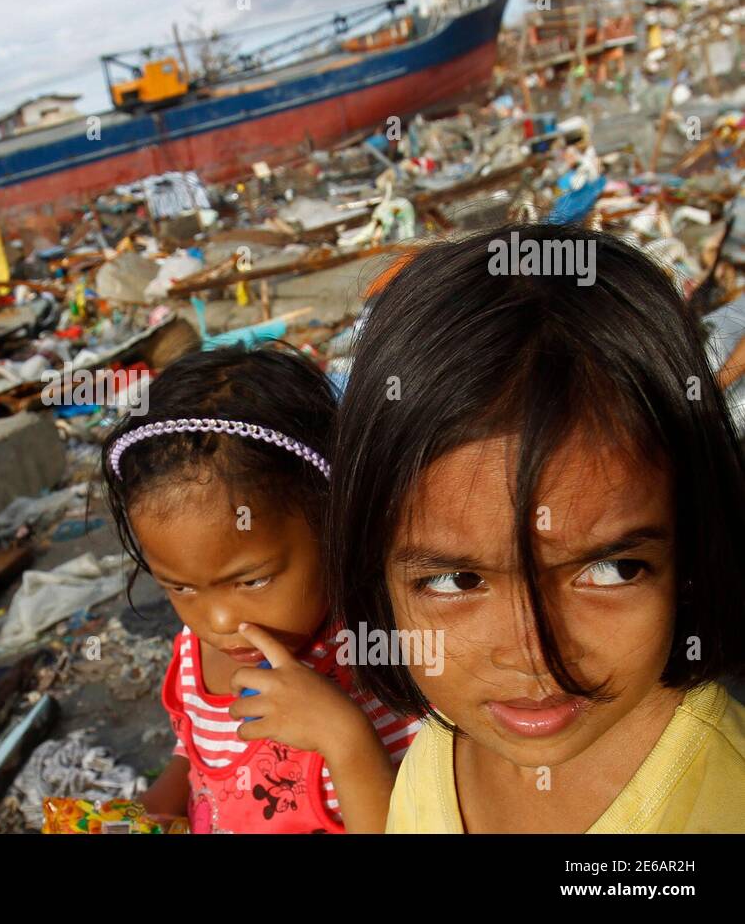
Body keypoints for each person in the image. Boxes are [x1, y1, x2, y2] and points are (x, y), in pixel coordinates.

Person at [329, 224, 745, 833]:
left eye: (611, 568)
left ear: (690, 548)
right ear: (375, 575)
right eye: (456, 580)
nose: (533, 655)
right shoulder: (443, 740)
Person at [102, 344, 417, 833]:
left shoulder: (381, 666)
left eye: (252, 580)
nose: (220, 622)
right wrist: (150, 811)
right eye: (180, 587)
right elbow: (195, 758)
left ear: (333, 523)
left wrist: (345, 739)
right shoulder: (192, 654)